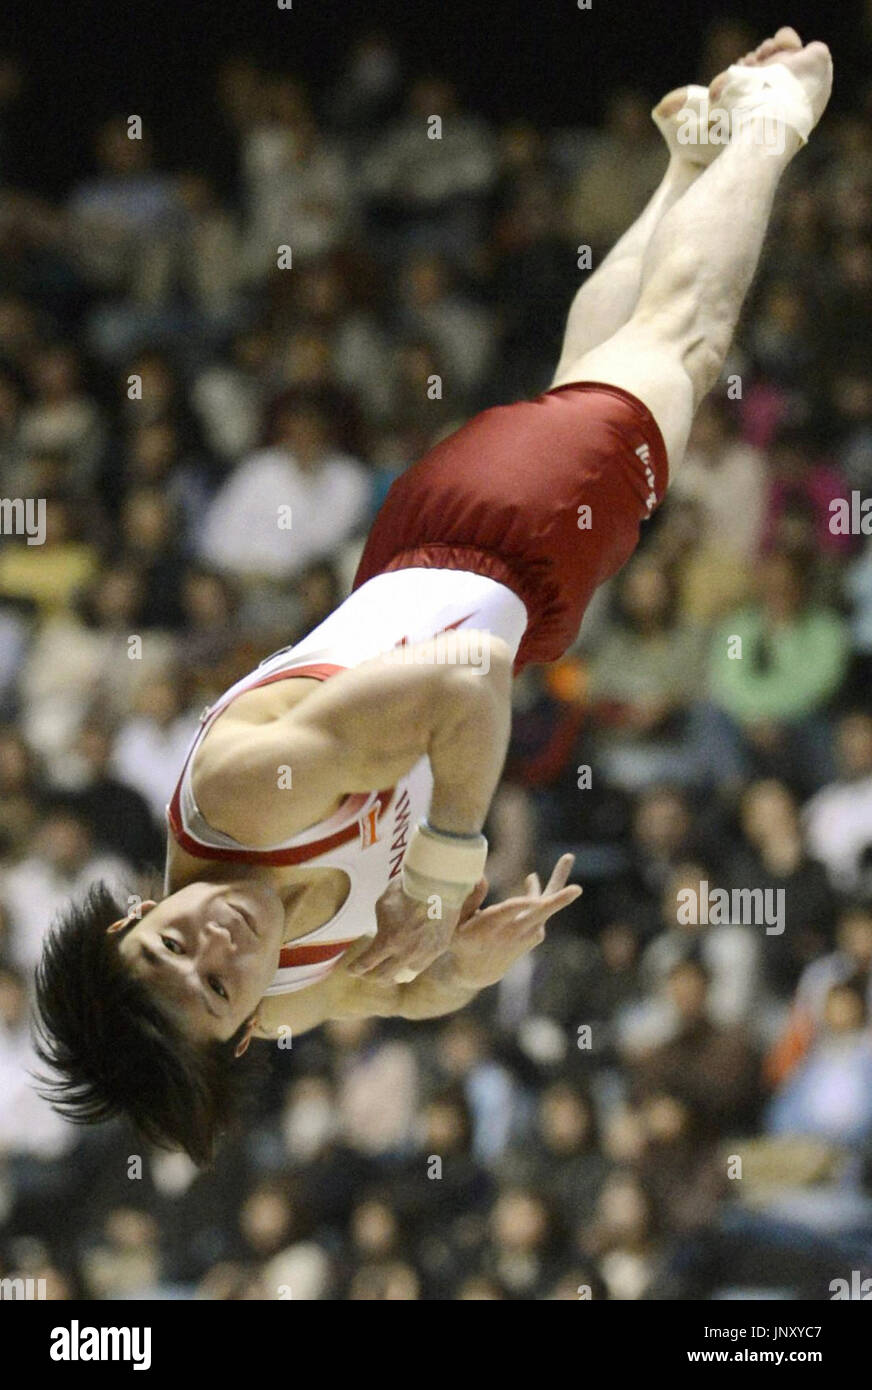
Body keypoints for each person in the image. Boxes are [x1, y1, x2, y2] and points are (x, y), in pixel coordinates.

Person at [35, 30, 834, 1163]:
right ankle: (686, 165)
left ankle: (767, 116)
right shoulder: (289, 998)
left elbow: (459, 685)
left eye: (166, 945)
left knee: (685, 349)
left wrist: (445, 866)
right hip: (483, 581)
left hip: (487, 544)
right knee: (593, 379)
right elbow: (403, 996)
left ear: (130, 916)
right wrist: (459, 963)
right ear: (242, 1032)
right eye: (213, 987)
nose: (212, 942)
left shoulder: (240, 802)